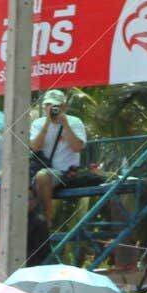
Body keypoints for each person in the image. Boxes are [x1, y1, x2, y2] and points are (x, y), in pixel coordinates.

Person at [28, 89, 86, 226]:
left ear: (64, 107)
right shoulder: (38, 123)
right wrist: (48, 123)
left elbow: (77, 147)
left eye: (56, 106)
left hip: (67, 171)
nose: (52, 109)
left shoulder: (74, 122)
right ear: (44, 107)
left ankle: (46, 222)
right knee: (6, 176)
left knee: (42, 176)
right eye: (49, 105)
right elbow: (35, 147)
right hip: (43, 168)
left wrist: (65, 124)